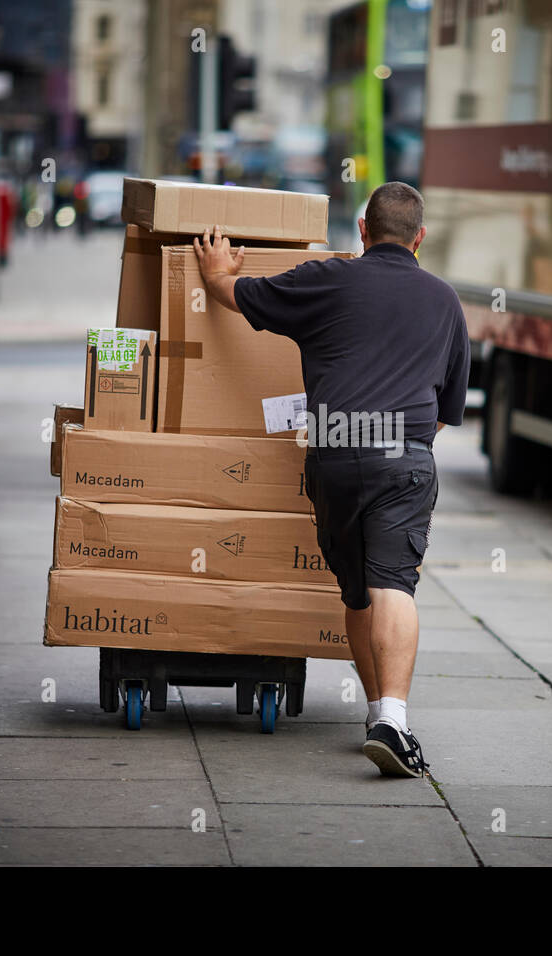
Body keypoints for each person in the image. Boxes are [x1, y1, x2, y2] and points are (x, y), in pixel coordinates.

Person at [193, 181, 470, 778]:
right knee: (394, 581)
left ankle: (378, 715)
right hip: (405, 451)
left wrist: (216, 270)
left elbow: (230, 295)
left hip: (336, 453)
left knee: (356, 590)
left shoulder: (327, 278)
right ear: (420, 239)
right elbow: (449, 408)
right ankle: (391, 721)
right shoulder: (444, 301)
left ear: (363, 232)